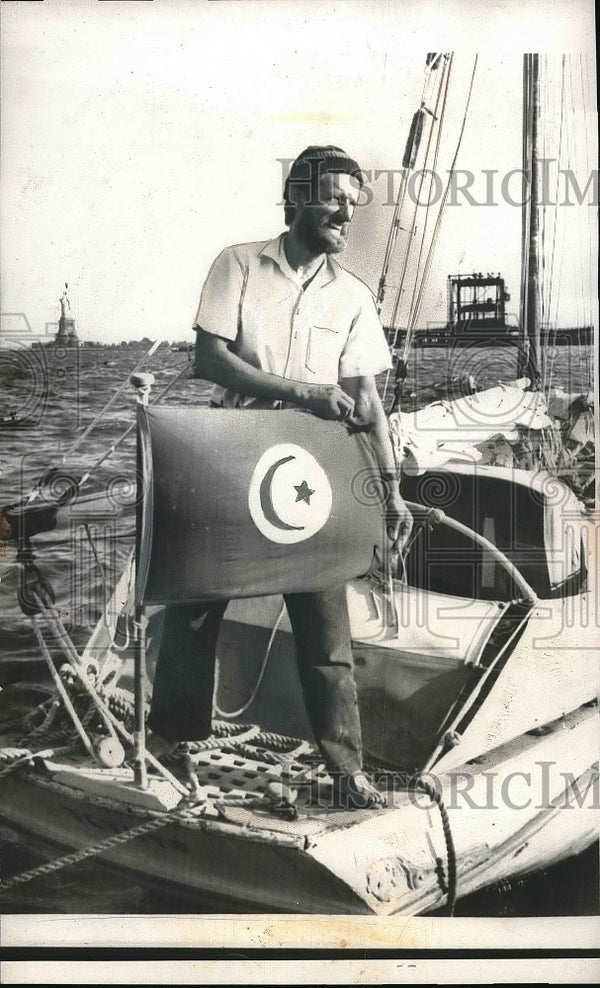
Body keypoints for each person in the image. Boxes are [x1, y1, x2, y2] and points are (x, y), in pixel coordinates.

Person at [147, 145, 413, 808]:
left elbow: (367, 401)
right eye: (333, 199)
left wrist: (392, 492)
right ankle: (171, 744)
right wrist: (303, 392)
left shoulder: (353, 297)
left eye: (353, 204)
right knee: (194, 611)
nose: (346, 215)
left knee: (325, 626)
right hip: (230, 455)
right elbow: (210, 361)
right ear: (295, 197)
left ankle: (346, 771)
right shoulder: (237, 265)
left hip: (310, 469)